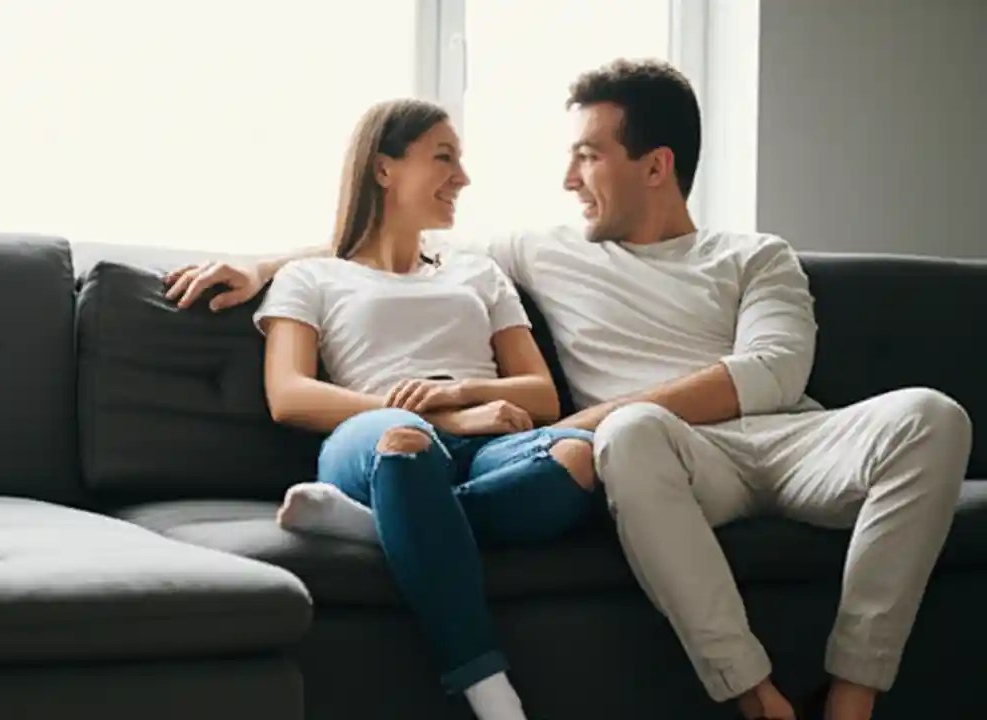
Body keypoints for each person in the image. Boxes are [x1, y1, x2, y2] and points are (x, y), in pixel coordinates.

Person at [165, 60, 972, 720]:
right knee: (627, 439)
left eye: (587, 155)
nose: (567, 178)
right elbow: (380, 242)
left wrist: (577, 418)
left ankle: (854, 691)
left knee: (934, 416)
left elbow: (771, 375)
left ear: (655, 166)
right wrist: (262, 265)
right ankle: (752, 694)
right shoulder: (542, 250)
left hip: (786, 440)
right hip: (667, 458)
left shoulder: (755, 255)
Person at [244, 97, 597, 720]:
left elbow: (539, 393)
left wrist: (462, 394)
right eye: (444, 157)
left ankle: (383, 523)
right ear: (384, 169)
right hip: (376, 432)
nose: (462, 177)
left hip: (486, 445)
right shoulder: (313, 277)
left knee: (580, 455)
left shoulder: (478, 273)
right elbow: (290, 395)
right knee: (404, 441)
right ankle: (488, 687)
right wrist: (437, 417)